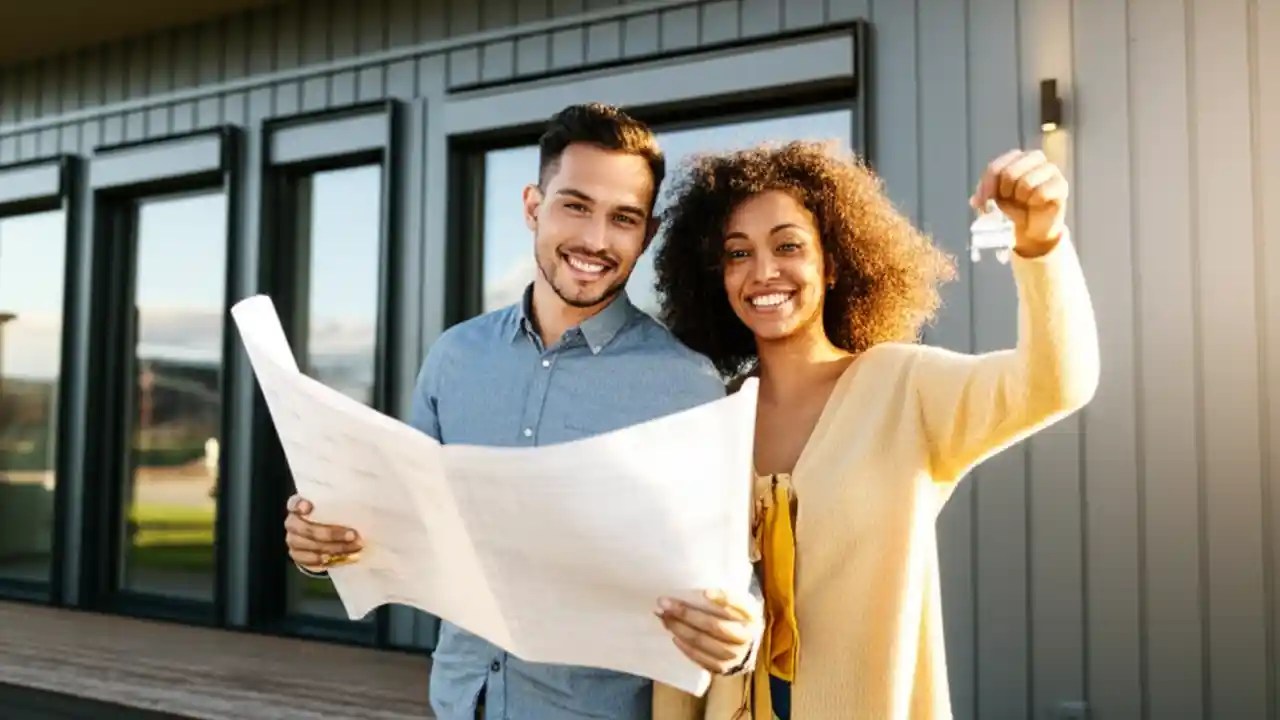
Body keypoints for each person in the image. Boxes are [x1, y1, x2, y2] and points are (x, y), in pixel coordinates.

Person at [280, 103, 763, 720]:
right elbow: (400, 524)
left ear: (648, 232)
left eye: (623, 218)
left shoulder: (686, 385)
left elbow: (730, 578)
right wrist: (323, 544)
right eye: (575, 206)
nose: (594, 240)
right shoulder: (455, 357)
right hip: (460, 702)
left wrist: (739, 632)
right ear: (534, 205)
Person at [649, 141, 1099, 719]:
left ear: (832, 262)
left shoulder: (903, 388)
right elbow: (681, 641)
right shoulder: (710, 425)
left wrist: (1041, 244)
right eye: (738, 253)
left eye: (788, 245)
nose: (763, 272)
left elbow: (1055, 382)